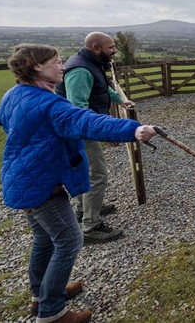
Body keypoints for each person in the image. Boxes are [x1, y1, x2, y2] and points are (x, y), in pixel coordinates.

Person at [0, 44, 156, 323]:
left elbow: (2, 120)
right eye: (57, 62)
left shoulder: (14, 94)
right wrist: (133, 129)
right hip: (44, 184)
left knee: (44, 240)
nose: (63, 67)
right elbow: (85, 121)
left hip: (23, 178)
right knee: (70, 241)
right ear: (37, 67)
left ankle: (41, 295)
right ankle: (52, 312)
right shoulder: (50, 104)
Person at [55, 32, 133, 243]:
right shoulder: (80, 70)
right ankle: (91, 226)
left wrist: (119, 100)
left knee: (85, 171)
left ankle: (84, 210)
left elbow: (102, 87)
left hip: (81, 128)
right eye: (111, 47)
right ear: (96, 48)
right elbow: (77, 109)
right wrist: (105, 132)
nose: (114, 50)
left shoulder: (91, 63)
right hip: (79, 130)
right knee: (97, 174)